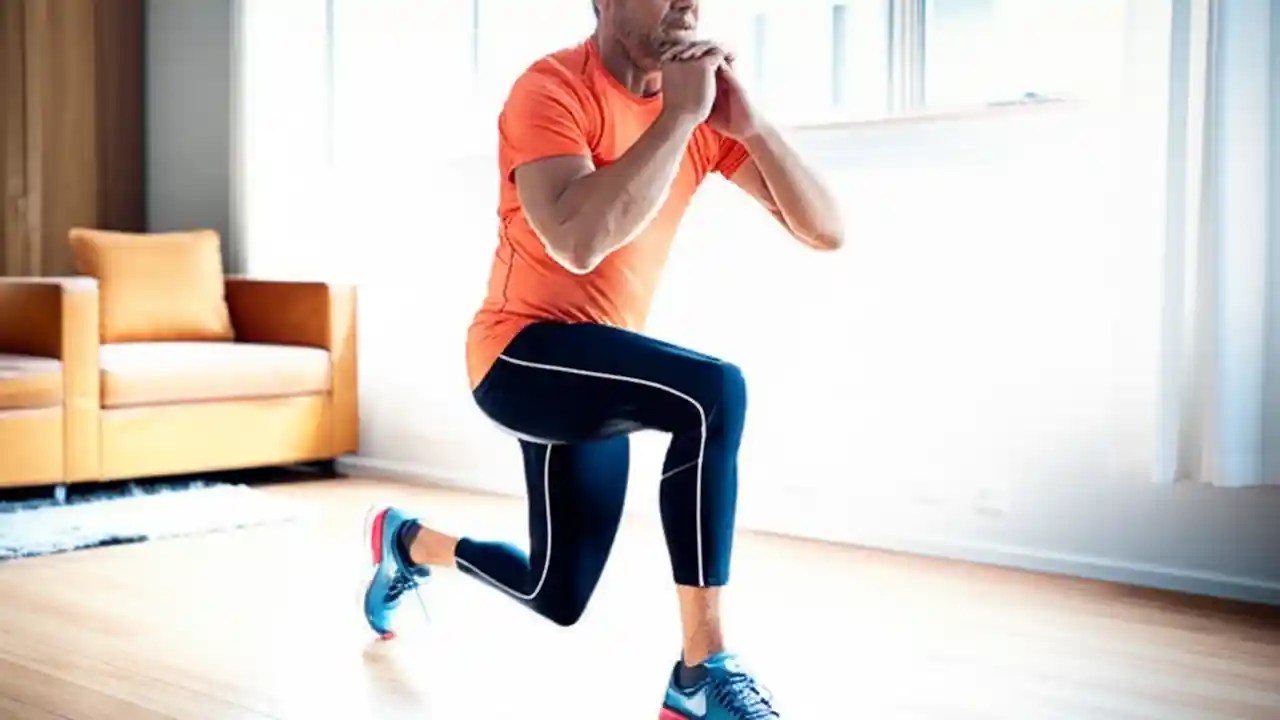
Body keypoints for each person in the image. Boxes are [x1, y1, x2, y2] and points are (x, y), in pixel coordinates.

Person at [363, 0, 843, 717]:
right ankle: (700, 671)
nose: (689, 3)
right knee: (713, 393)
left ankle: (406, 543)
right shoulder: (551, 87)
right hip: (518, 356)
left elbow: (825, 229)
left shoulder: (704, 117)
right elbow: (577, 241)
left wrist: (751, 126)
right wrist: (680, 119)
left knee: (556, 595)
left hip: (596, 370)